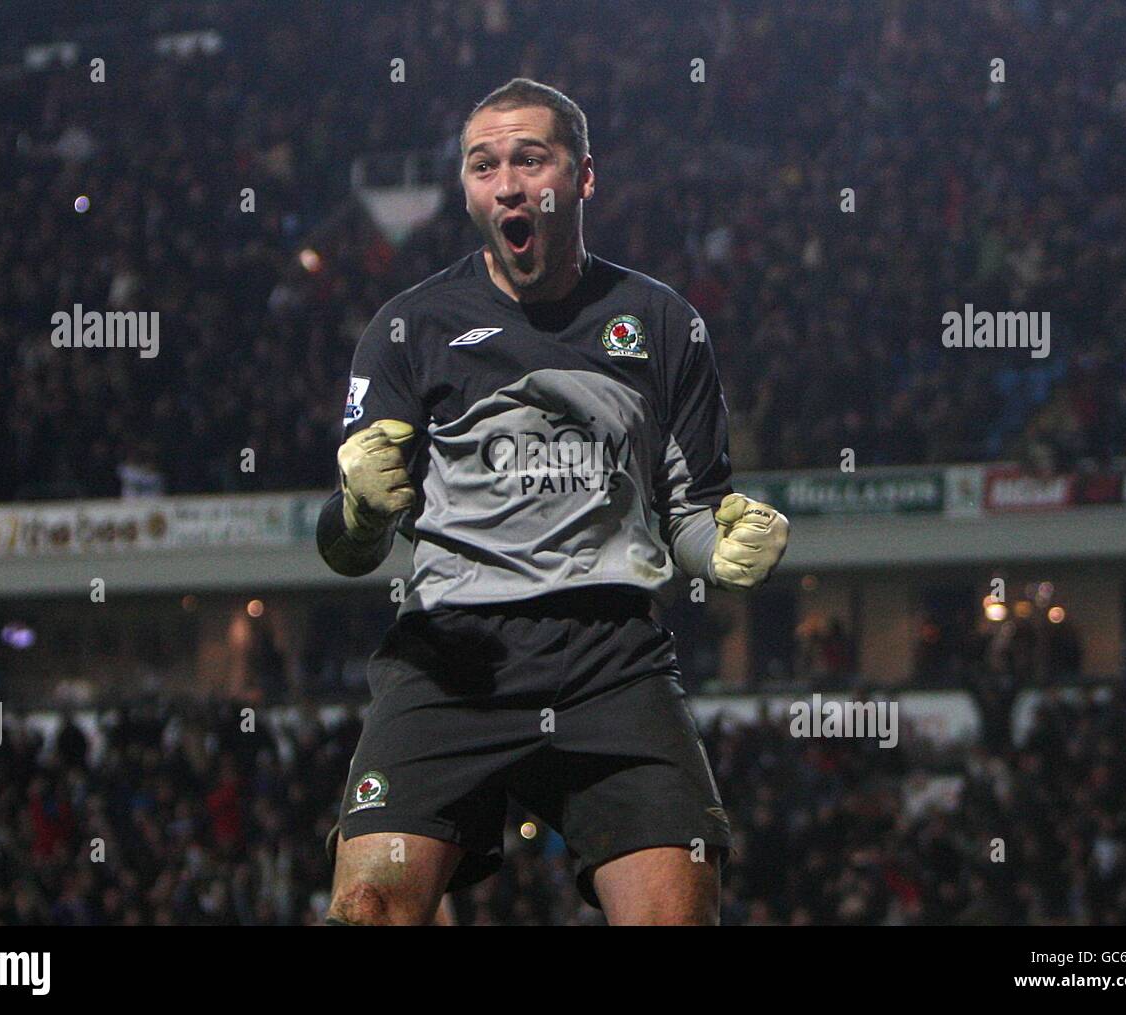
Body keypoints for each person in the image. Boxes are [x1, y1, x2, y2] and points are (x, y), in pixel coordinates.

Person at [317, 78, 789, 925]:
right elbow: (347, 548)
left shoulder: (661, 321)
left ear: (582, 177)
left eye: (529, 159)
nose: (505, 183)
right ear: (467, 187)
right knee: (365, 907)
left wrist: (717, 550)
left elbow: (689, 510)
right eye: (482, 164)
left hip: (612, 654)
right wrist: (358, 513)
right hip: (451, 655)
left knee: (679, 913)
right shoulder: (408, 328)